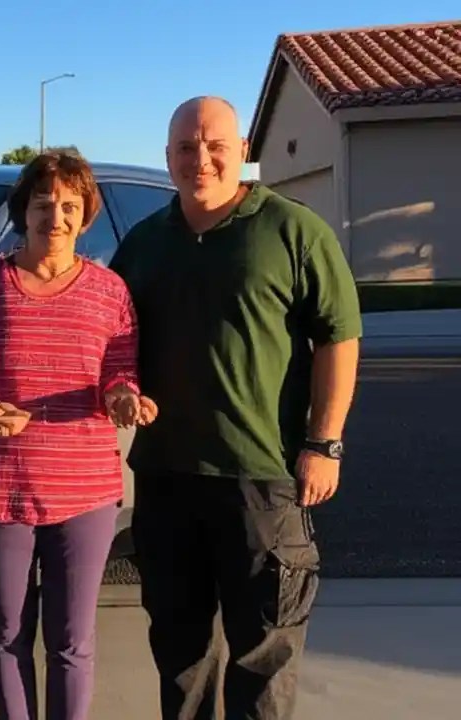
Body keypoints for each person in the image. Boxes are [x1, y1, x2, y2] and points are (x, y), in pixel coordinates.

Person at [107, 96, 362, 720]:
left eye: (216, 144)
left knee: (263, 655)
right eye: (187, 148)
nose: (202, 158)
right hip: (166, 480)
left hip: (263, 481)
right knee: (180, 651)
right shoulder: (143, 244)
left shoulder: (293, 231)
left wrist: (323, 443)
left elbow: (339, 337)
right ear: (167, 159)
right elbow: (113, 342)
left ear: (242, 151)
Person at [0, 151, 158, 720]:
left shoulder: (110, 292)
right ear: (22, 211)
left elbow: (120, 371)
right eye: (43, 203)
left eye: (70, 206)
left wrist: (124, 397)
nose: (56, 217)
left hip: (85, 490)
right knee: (7, 630)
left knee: (71, 638)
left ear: (85, 217)